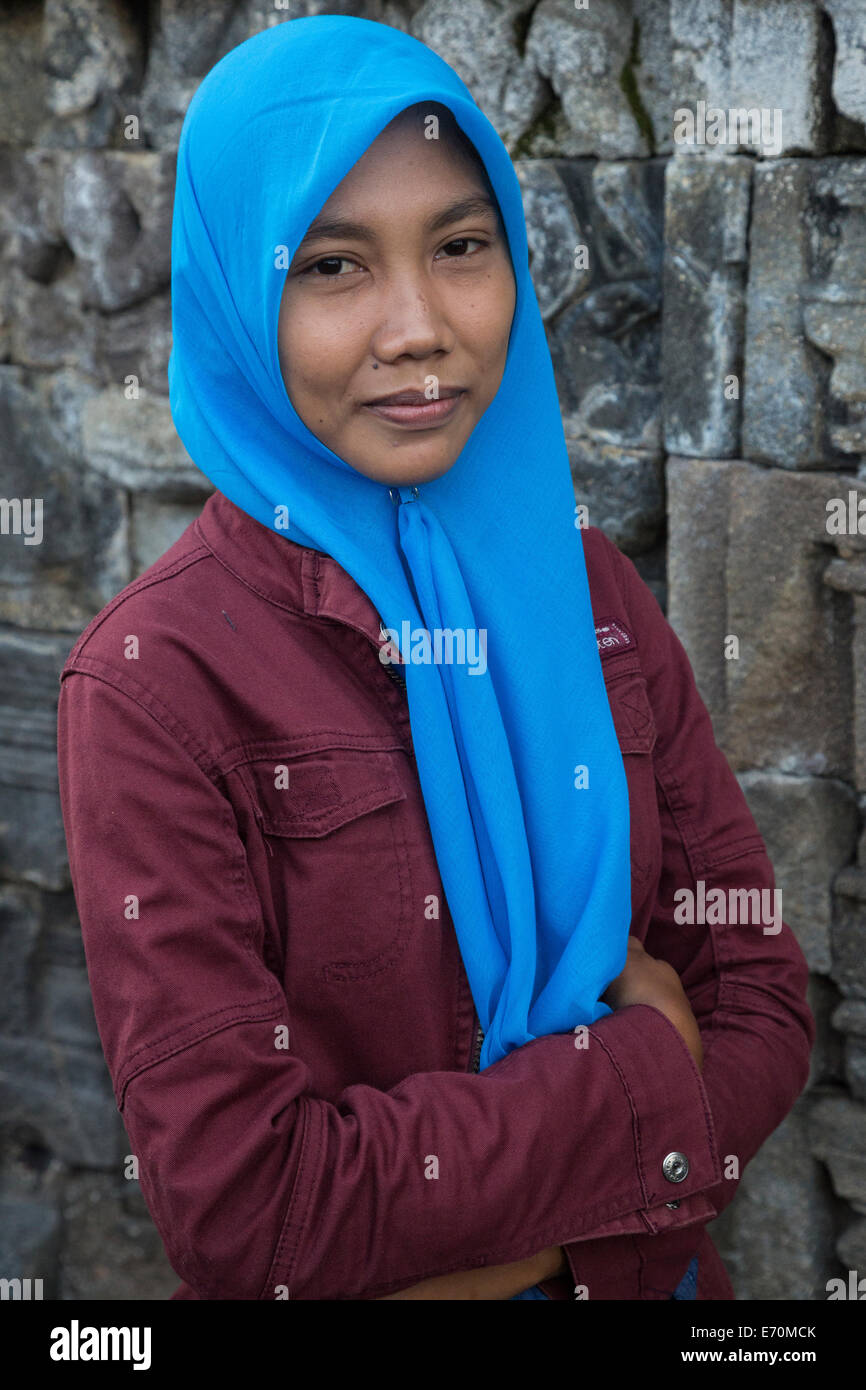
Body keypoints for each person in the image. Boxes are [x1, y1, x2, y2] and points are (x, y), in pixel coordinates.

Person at [56, 17, 814, 1301]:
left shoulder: (590, 599)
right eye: (334, 266)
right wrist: (640, 1099)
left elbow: (758, 1000)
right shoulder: (156, 686)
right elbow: (251, 1222)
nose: (417, 326)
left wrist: (494, 1244)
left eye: (460, 247)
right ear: (240, 297)